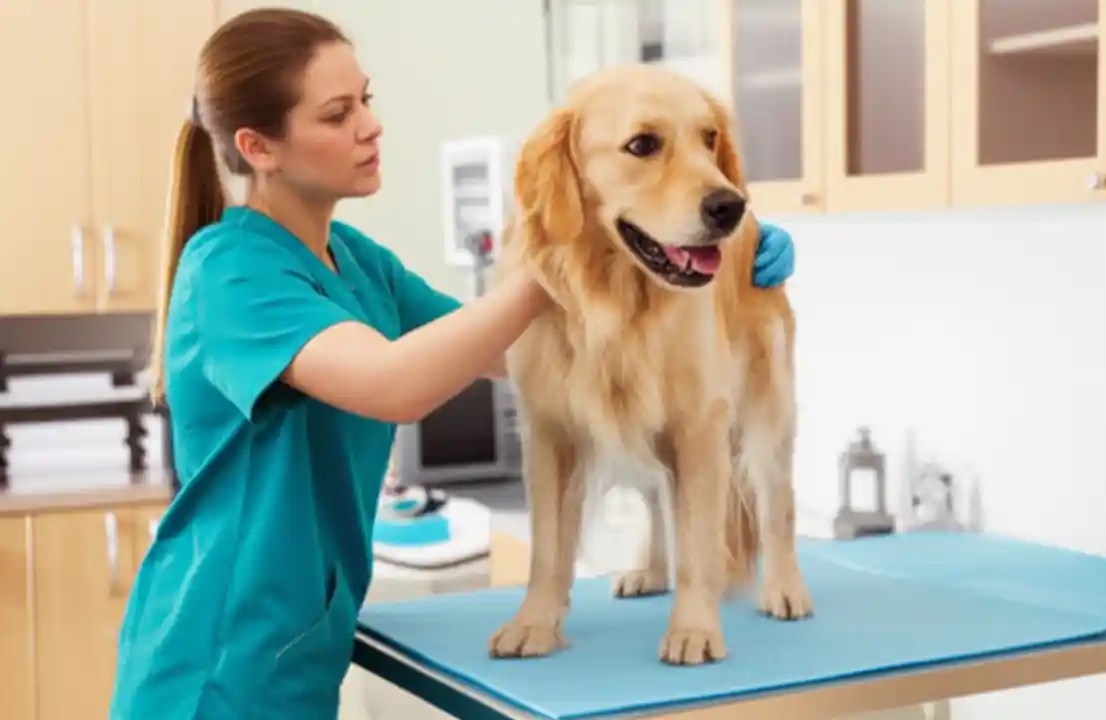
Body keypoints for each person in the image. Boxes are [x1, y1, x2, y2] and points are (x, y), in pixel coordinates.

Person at [109, 8, 797, 719]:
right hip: (210, 672)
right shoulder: (229, 271)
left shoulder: (357, 264)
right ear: (259, 148)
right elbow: (393, 384)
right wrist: (548, 258)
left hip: (293, 660)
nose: (372, 126)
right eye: (338, 114)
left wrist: (689, 261)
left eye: (366, 100)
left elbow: (520, 353)